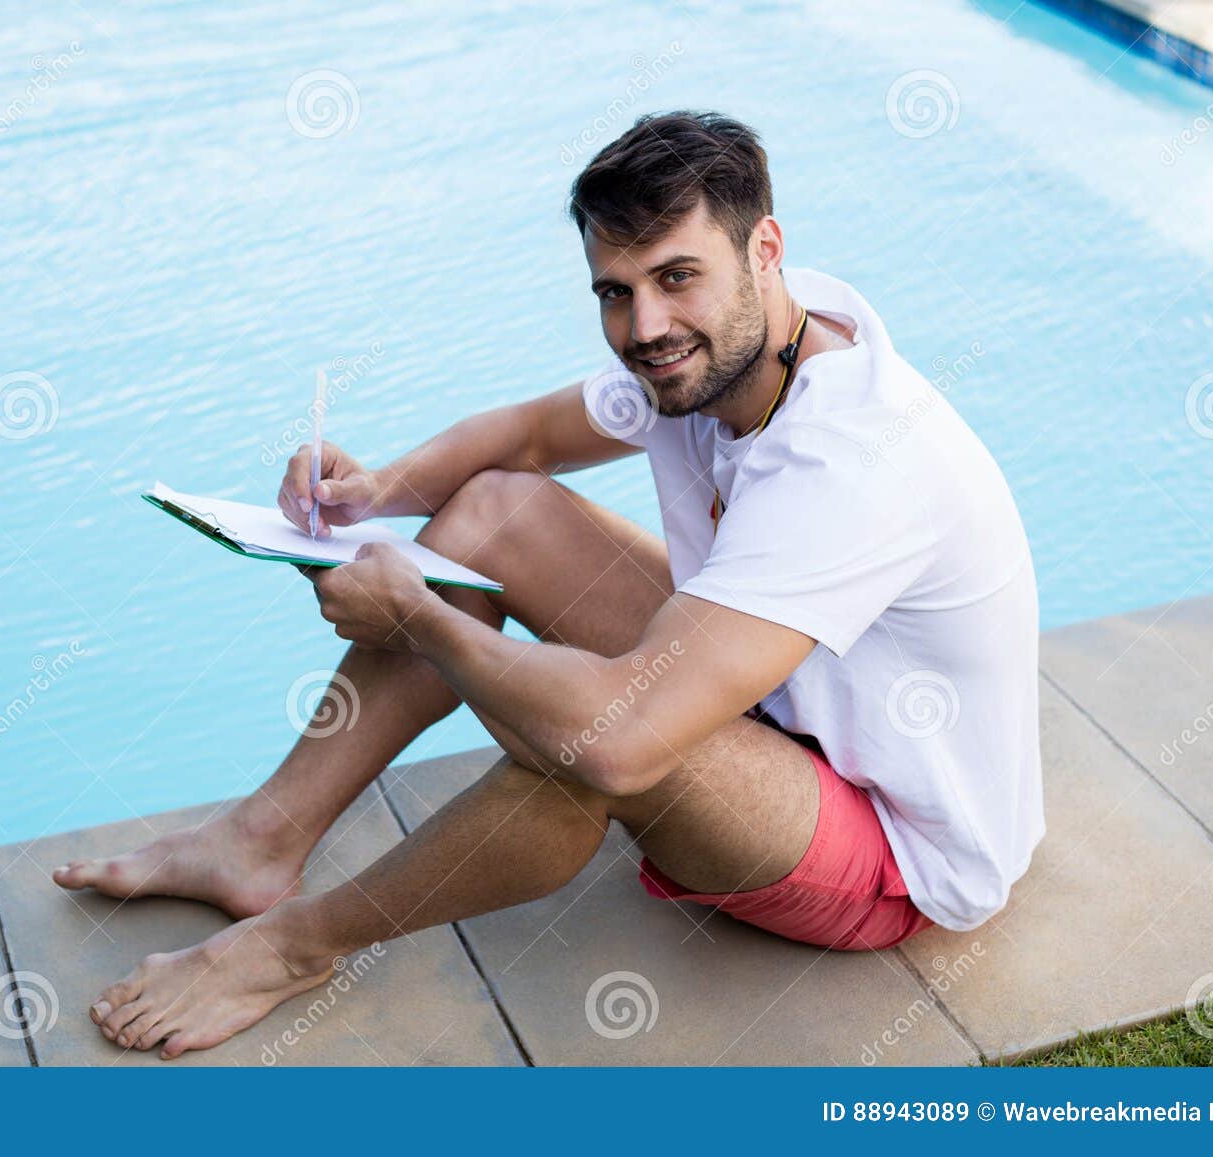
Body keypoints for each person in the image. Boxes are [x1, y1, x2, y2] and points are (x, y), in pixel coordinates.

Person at [53, 110, 1043, 1060]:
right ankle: (260, 836)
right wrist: (373, 494)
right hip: (787, 697)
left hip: (891, 850)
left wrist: (421, 617)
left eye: (674, 278)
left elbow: (616, 742)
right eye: (614, 290)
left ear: (763, 249)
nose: (644, 324)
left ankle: (292, 944)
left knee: (581, 744)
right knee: (495, 511)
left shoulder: (846, 458)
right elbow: (525, 438)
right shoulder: (743, 337)